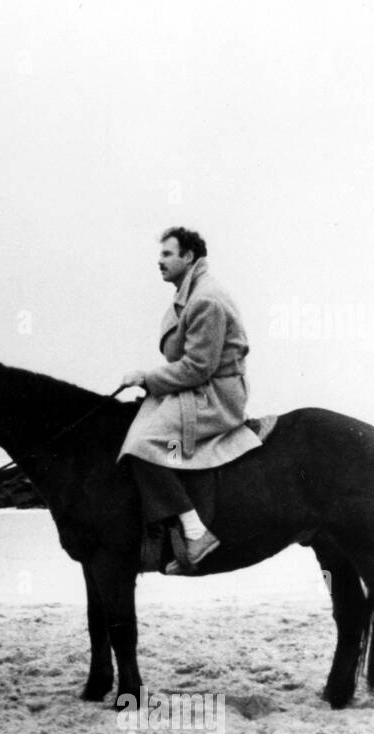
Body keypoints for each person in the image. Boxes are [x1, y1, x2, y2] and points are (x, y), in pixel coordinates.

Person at [119, 227, 262, 574]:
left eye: (168, 254)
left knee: (141, 444)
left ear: (189, 257)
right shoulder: (192, 291)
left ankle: (196, 532)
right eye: (161, 254)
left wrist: (147, 378)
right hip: (199, 386)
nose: (160, 261)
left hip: (215, 394)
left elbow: (199, 367)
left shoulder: (205, 299)